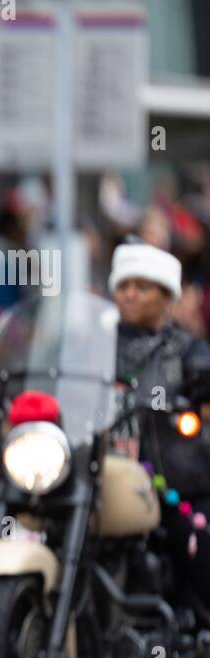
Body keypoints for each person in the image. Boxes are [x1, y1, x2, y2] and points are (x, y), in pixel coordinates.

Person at [110, 242, 210, 602]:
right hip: (100, 477)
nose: (130, 295)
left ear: (166, 294)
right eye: (123, 286)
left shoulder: (186, 349)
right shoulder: (93, 343)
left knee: (199, 539)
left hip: (175, 485)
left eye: (142, 286)